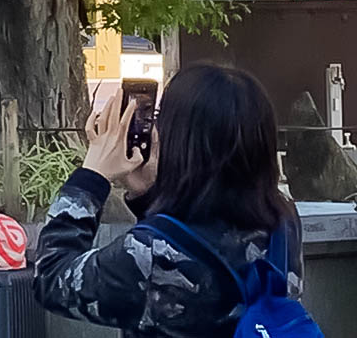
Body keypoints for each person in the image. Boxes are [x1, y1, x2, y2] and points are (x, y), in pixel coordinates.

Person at [35, 63, 304, 337]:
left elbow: (51, 277)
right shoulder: (283, 220)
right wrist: (149, 197)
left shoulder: (150, 253)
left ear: (180, 139)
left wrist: (93, 174)